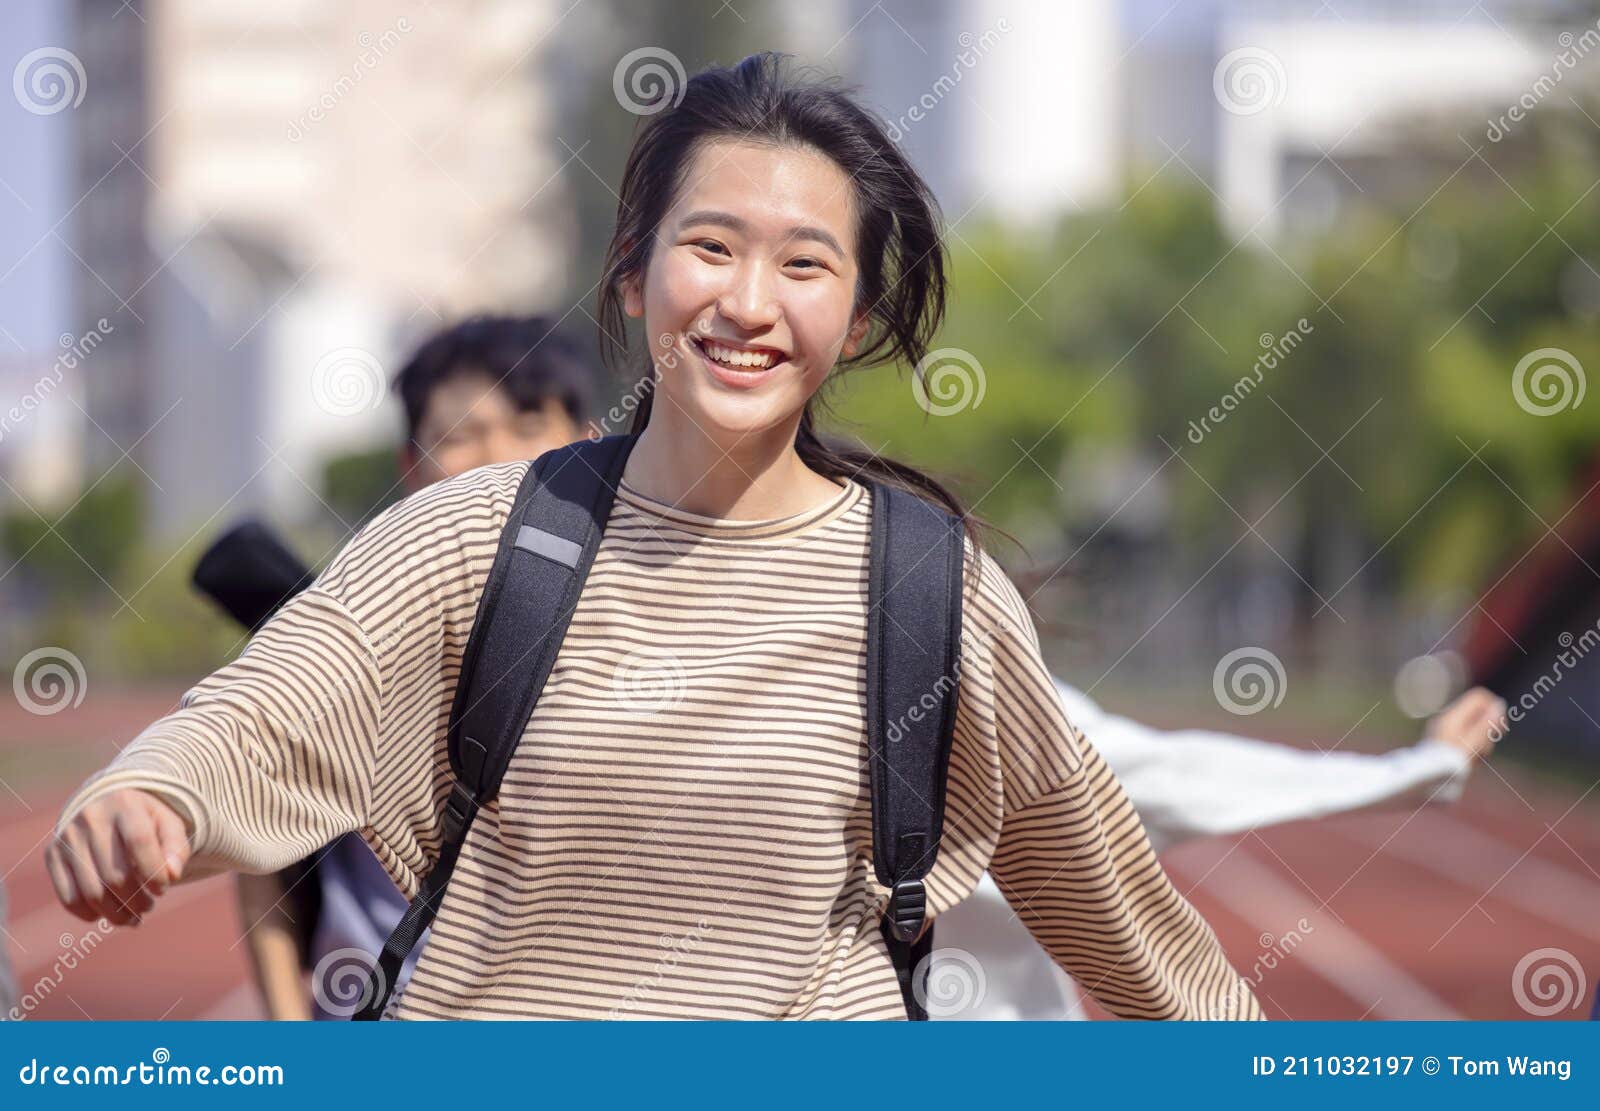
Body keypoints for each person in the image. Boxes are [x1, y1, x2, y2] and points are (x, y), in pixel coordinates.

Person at [44, 53, 1263, 1020]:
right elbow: (261, 714)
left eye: (803, 263)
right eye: (710, 246)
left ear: (856, 310)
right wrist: (147, 793)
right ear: (633, 275)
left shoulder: (929, 589)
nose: (746, 302)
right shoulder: (474, 540)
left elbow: (1102, 885)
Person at [226, 316, 596, 1020]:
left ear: (589, 443)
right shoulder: (350, 635)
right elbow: (265, 844)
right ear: (410, 464)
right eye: (459, 435)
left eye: (526, 425)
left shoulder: (645, 629)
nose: (495, 456)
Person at [933, 680, 1505, 1019]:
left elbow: (1176, 774)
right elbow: (1181, 775)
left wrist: (1426, 770)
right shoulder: (992, 685)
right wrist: (1427, 768)